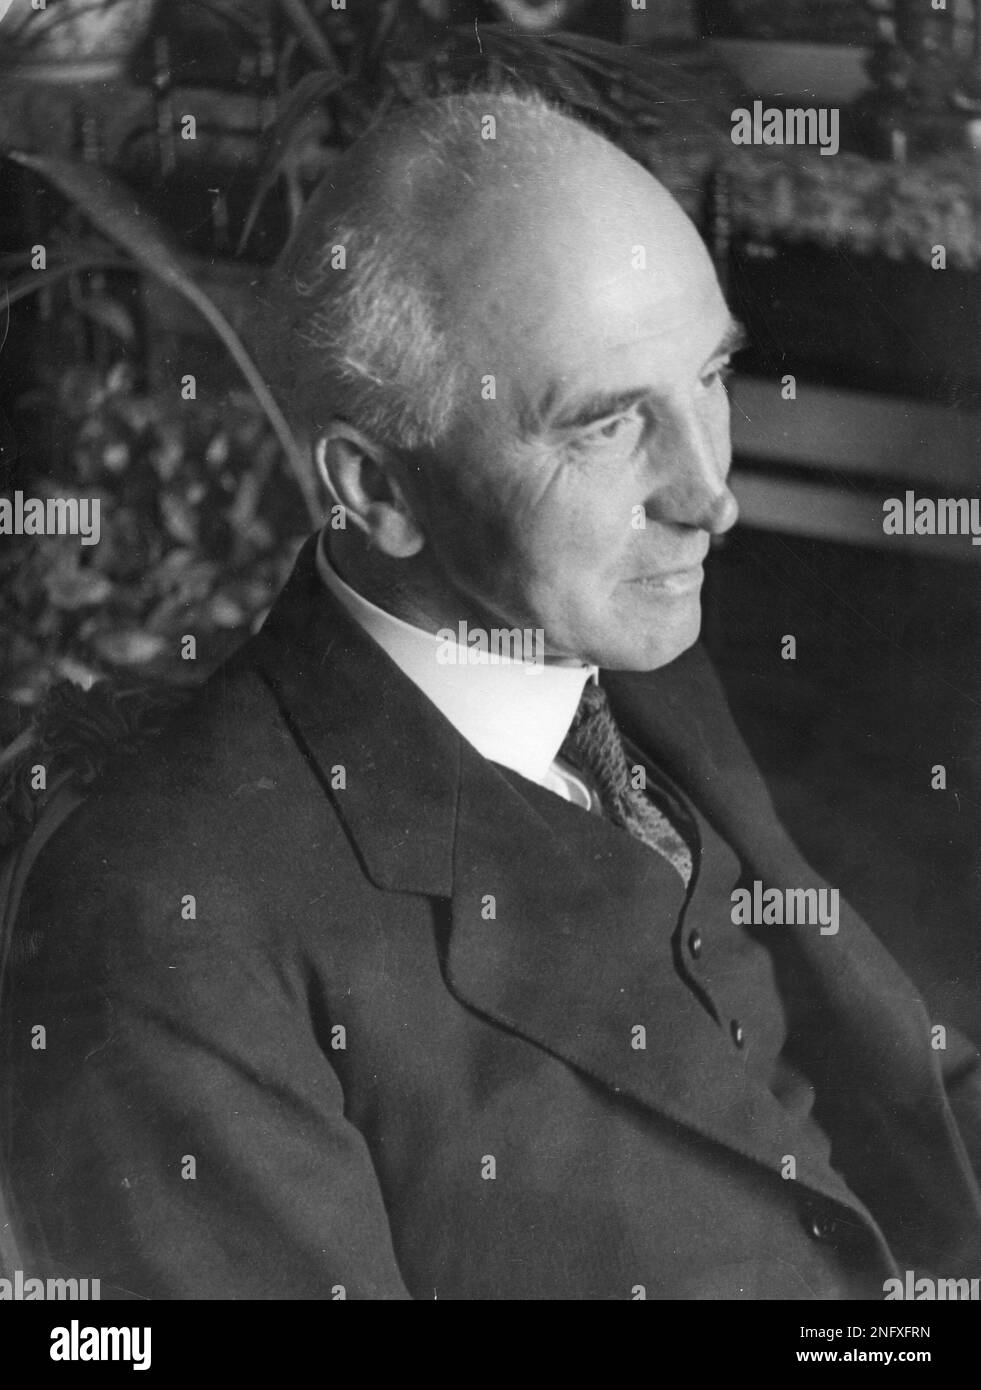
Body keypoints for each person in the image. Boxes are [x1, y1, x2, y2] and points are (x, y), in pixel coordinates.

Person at [2, 89, 979, 1301]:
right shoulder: (166, 934)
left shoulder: (619, 642)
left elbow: (877, 1071)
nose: (709, 493)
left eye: (712, 376)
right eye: (607, 425)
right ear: (379, 490)